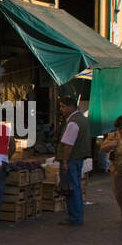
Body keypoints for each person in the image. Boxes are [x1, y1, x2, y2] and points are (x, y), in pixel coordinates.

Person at [55, 96, 91, 227]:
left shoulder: (73, 123)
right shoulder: (82, 119)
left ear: (71, 107)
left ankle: (75, 217)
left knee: (71, 188)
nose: (61, 109)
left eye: (63, 106)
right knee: (75, 187)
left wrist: (64, 161)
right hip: (78, 158)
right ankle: (76, 216)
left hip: (71, 160)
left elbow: (68, 144)